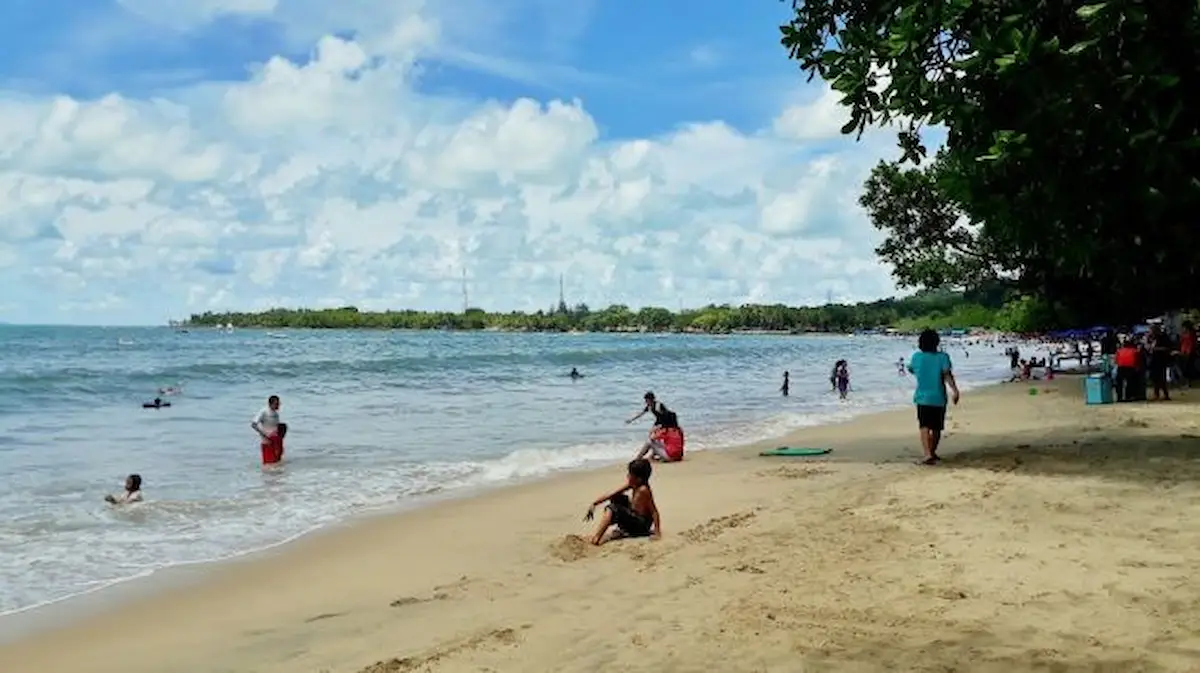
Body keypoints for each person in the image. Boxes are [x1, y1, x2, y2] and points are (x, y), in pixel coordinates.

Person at [907, 329, 960, 465]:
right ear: (937, 342)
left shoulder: (916, 357)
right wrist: (955, 391)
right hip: (938, 397)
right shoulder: (943, 357)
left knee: (924, 426)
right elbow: (948, 375)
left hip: (922, 397)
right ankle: (933, 452)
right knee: (937, 427)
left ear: (921, 343)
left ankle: (927, 454)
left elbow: (911, 369)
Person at [583, 458, 660, 546]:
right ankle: (622, 529)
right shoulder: (634, 484)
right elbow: (612, 493)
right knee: (617, 497)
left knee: (613, 508)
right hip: (634, 517)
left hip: (641, 527)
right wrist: (595, 503)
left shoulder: (644, 490)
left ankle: (596, 538)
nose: (627, 476)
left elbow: (654, 511)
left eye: (630, 474)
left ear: (639, 479)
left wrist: (657, 532)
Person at [629, 392, 685, 462]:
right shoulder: (680, 430)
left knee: (651, 440)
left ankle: (639, 458)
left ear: (652, 399)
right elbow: (641, 413)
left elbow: (666, 415)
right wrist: (631, 420)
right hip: (661, 423)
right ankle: (655, 454)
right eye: (646, 401)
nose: (646, 402)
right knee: (656, 437)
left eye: (647, 400)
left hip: (664, 423)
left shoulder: (659, 405)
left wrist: (661, 426)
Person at [251, 395, 286, 465]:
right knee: (269, 464)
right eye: (276, 404)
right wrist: (264, 435)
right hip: (267, 441)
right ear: (270, 404)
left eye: (279, 404)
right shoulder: (264, 411)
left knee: (278, 462)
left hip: (276, 440)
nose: (278, 406)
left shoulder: (276, 413)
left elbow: (275, 426)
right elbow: (253, 424)